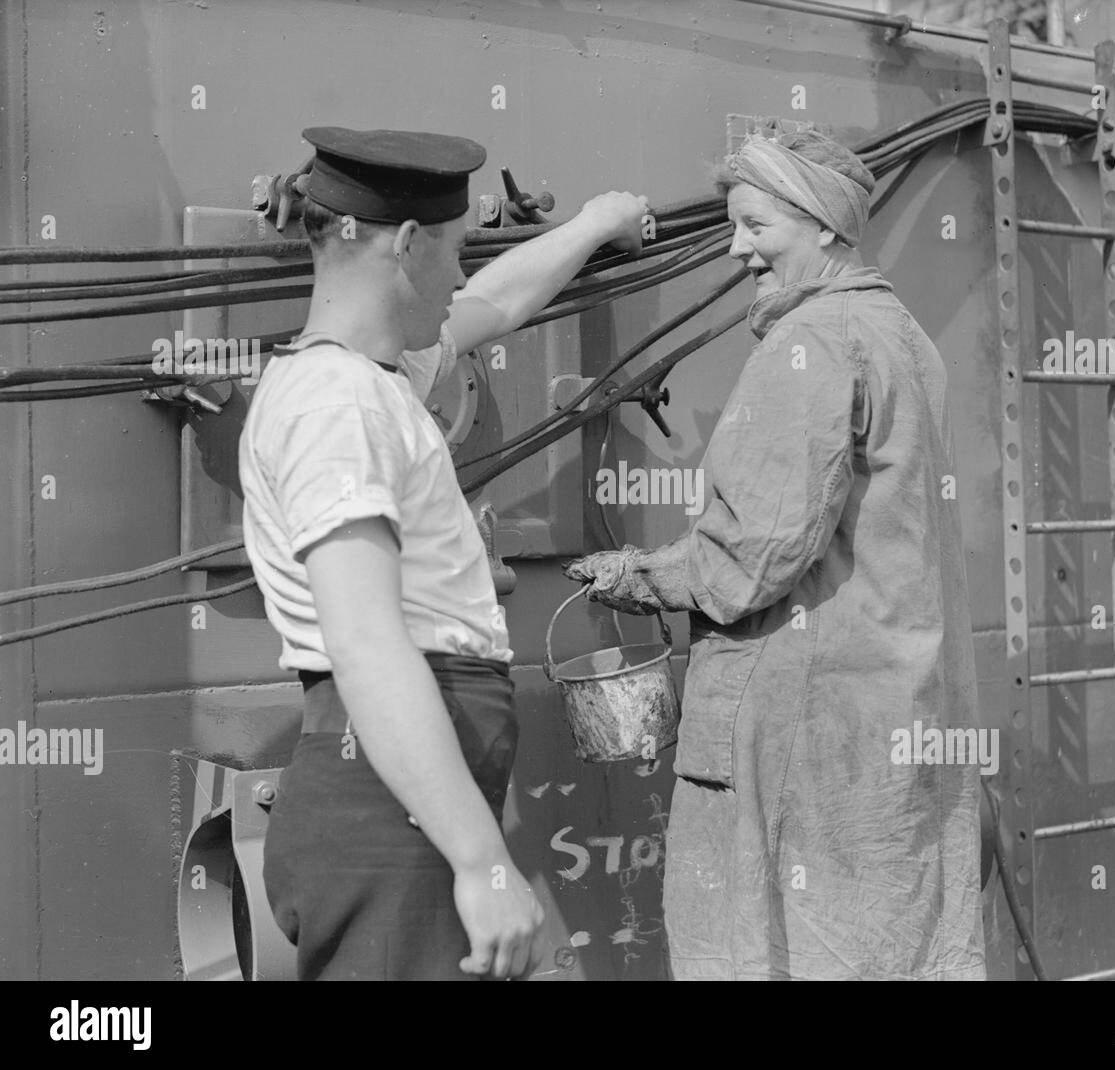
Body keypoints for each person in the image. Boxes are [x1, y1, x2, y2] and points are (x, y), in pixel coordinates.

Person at [566, 130, 986, 980]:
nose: (736, 248)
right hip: (889, 716)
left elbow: (752, 560)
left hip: (808, 728)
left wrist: (638, 577)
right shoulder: (902, 334)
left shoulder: (814, 342)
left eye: (756, 225)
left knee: (770, 950)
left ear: (824, 225)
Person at [238, 125, 647, 980]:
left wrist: (596, 224)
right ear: (411, 245)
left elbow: (495, 303)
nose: (461, 273)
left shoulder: (371, 378)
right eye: (455, 251)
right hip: (388, 799)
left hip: (404, 789)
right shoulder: (335, 408)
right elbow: (366, 643)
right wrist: (481, 861)